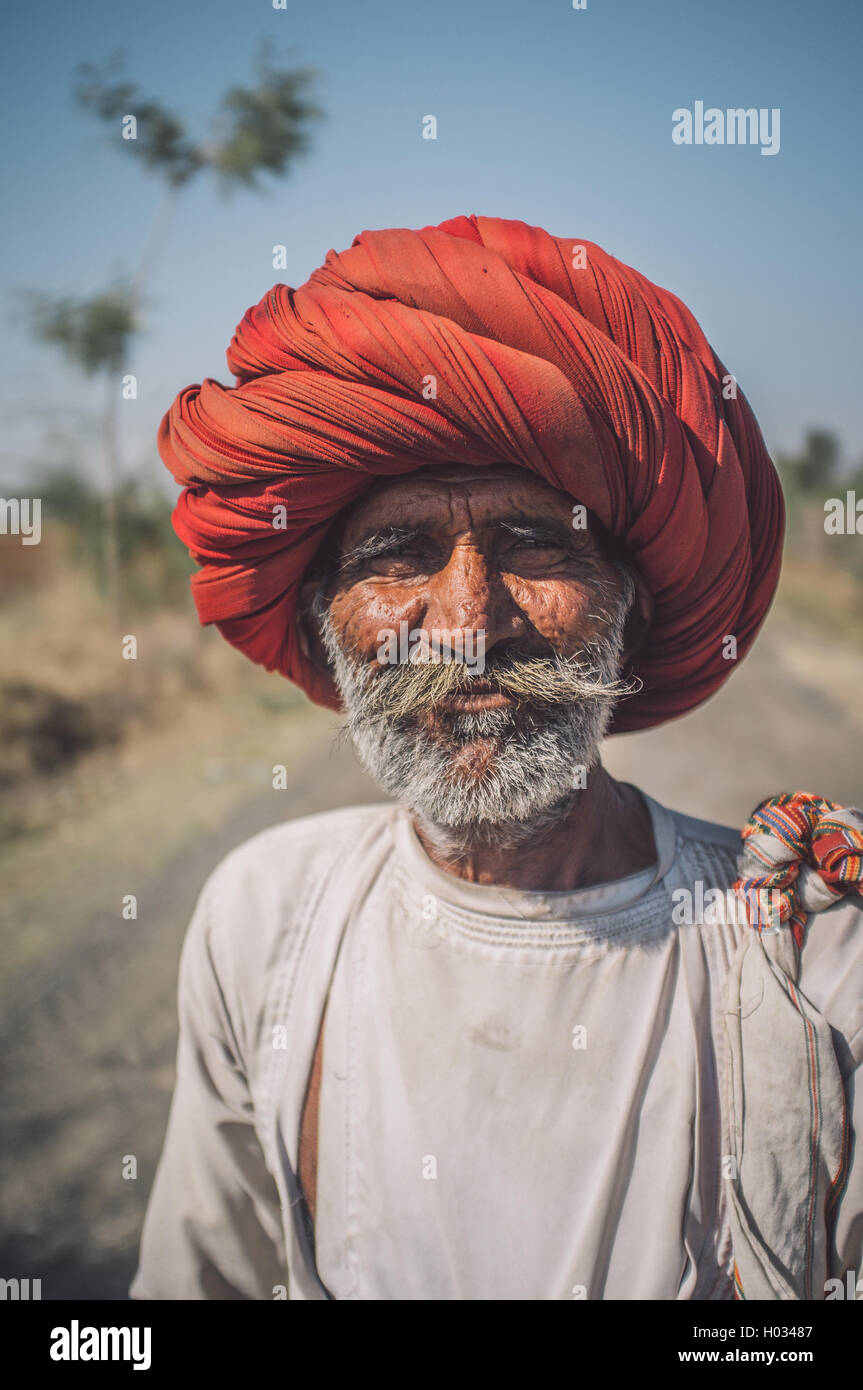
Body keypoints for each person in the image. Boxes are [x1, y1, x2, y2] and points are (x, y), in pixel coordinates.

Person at [130, 216, 863, 1301]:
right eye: (397, 555)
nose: (468, 623)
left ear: (629, 603)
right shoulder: (264, 923)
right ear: (330, 621)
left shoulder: (805, 953)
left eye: (534, 544)